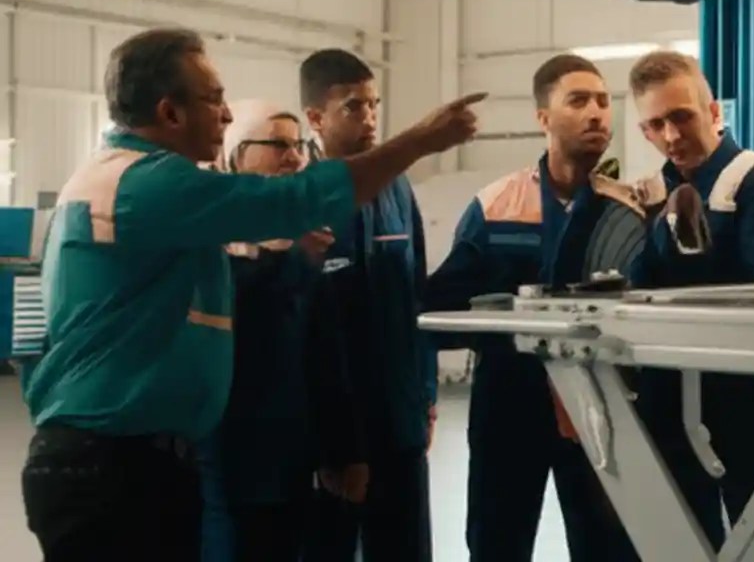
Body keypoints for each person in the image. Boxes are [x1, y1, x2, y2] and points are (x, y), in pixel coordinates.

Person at [19, 28, 483, 562]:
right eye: (214, 100)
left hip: (139, 460)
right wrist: (419, 141)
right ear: (170, 112)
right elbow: (296, 200)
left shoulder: (133, 184)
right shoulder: (145, 184)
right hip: (113, 466)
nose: (224, 114)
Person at [425, 53, 645, 561]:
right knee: (497, 543)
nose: (596, 112)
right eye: (578, 100)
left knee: (608, 548)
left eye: (602, 101)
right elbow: (442, 307)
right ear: (543, 118)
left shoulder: (627, 211)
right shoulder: (496, 206)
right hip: (509, 406)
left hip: (600, 408)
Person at [625, 50, 754, 550]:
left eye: (682, 116)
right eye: (657, 124)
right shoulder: (652, 195)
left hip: (742, 397)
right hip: (665, 396)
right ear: (644, 131)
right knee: (679, 542)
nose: (672, 135)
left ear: (714, 111)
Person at [299, 50, 442, 562]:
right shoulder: (301, 195)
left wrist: (426, 393)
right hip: (335, 426)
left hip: (399, 416)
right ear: (316, 118)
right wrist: (329, 447)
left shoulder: (395, 187)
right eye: (353, 107)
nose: (370, 118)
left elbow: (417, 296)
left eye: (374, 105)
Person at [196, 100, 338, 562]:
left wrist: (340, 446)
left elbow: (322, 347)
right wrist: (286, 257)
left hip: (290, 447)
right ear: (237, 154)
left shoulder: (307, 233)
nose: (293, 157)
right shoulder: (210, 233)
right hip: (223, 447)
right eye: (278, 145)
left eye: (298, 146)